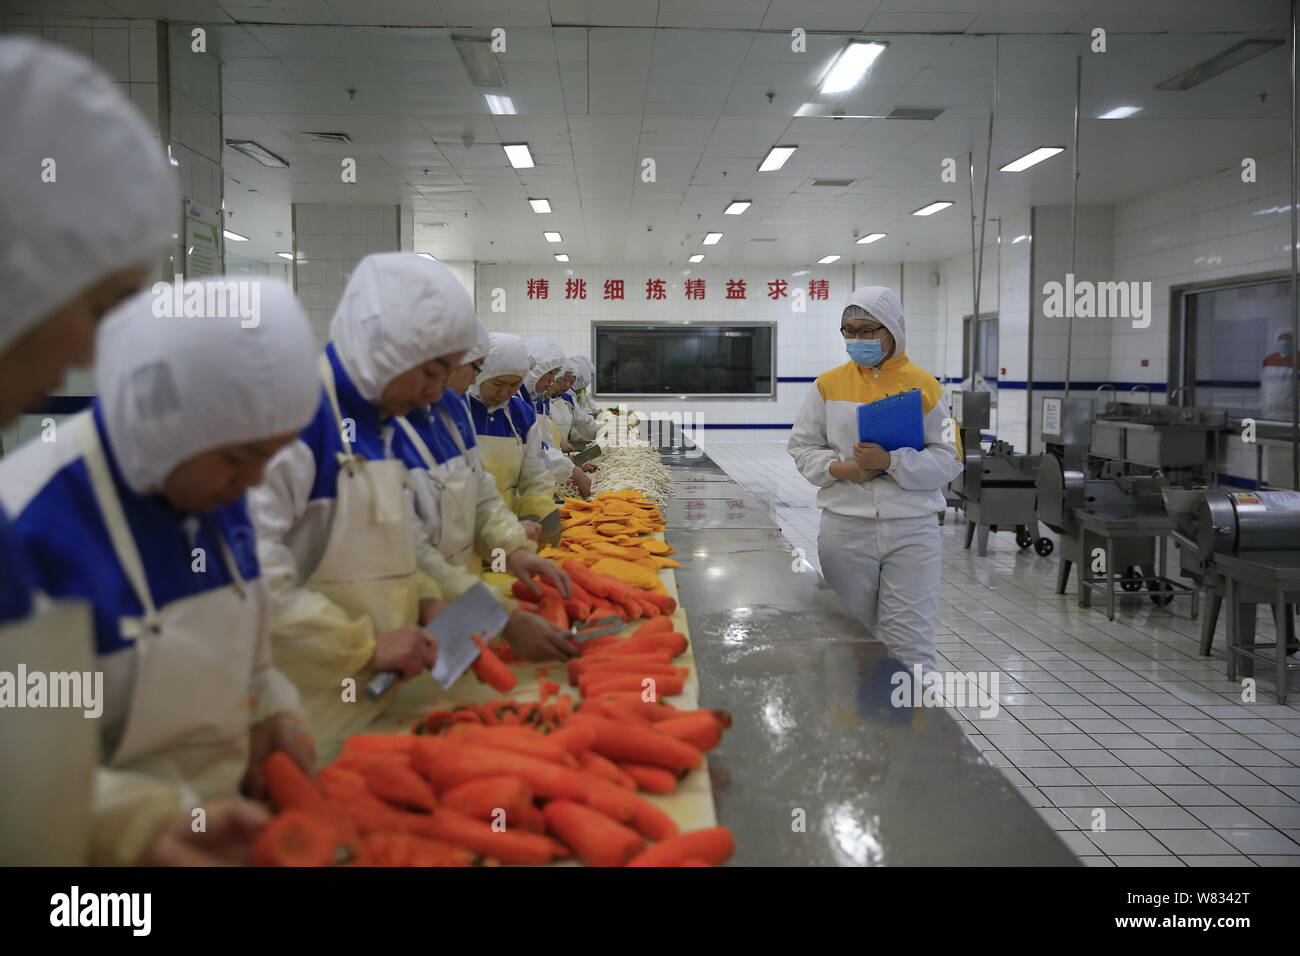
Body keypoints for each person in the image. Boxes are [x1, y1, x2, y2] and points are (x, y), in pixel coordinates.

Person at [0, 38, 271, 867]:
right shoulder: (37, 512)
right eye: (98, 304)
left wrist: (137, 829)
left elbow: (22, 769)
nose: (88, 354)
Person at [0, 277, 321, 866]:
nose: (253, 483)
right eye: (237, 458)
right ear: (165, 423)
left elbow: (247, 659)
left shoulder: (213, 496)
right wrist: (138, 825)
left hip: (226, 832)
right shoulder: (29, 524)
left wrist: (271, 709)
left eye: (268, 458)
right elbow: (14, 774)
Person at [787, 286, 962, 673]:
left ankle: (913, 728)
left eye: (869, 330)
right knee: (848, 635)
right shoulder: (828, 385)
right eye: (849, 331)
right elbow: (802, 446)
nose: (858, 339)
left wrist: (893, 462)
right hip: (845, 526)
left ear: (893, 330)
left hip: (912, 529)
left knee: (909, 642)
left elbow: (950, 458)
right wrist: (839, 469)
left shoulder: (925, 386)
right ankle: (850, 727)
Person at [394, 333, 579, 662]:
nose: (507, 393)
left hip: (467, 568)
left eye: (514, 385)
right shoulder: (384, 426)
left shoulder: (451, 410)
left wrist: (514, 545)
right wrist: (503, 618)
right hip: (411, 606)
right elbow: (408, 546)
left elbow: (479, 490)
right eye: (477, 370)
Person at [467, 332, 566, 529]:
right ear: (480, 376)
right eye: (498, 384)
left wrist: (537, 515)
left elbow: (537, 475)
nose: (505, 393)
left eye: (514, 385)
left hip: (511, 527)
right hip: (466, 528)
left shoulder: (521, 413)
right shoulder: (459, 410)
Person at [1261, 328, 1297, 421]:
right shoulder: (1269, 359)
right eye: (1281, 338)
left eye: (1288, 338)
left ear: (1294, 341)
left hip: (1291, 415)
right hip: (1269, 413)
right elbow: (1264, 387)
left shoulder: (1298, 359)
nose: (1284, 341)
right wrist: (1262, 406)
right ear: (1276, 341)